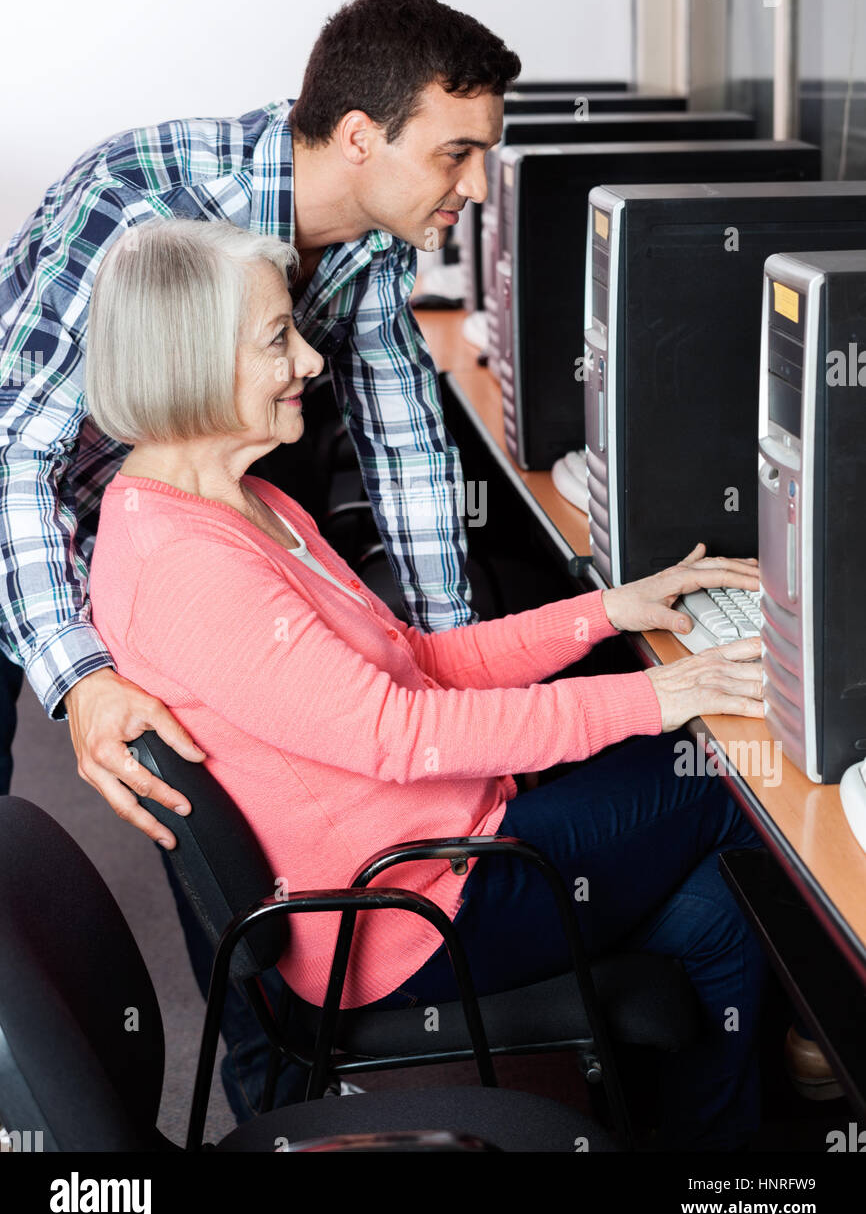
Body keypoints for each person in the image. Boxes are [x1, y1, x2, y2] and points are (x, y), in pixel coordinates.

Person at [86, 219, 769, 1151]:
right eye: (278, 338)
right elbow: (402, 731)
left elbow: (417, 658)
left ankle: (717, 1161)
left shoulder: (239, 501)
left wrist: (610, 611)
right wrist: (663, 697)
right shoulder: (186, 565)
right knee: (731, 775)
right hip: (420, 909)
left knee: (717, 915)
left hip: (446, 847)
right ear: (192, 359)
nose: (314, 362)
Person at [0, 0, 519, 1115]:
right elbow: (16, 455)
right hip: (24, 536)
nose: (475, 187)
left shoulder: (370, 245)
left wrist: (441, 666)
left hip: (160, 528)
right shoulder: (142, 200)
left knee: (208, 793)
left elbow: (407, 452)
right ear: (357, 138)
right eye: (457, 151)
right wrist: (78, 673)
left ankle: (276, 1107)